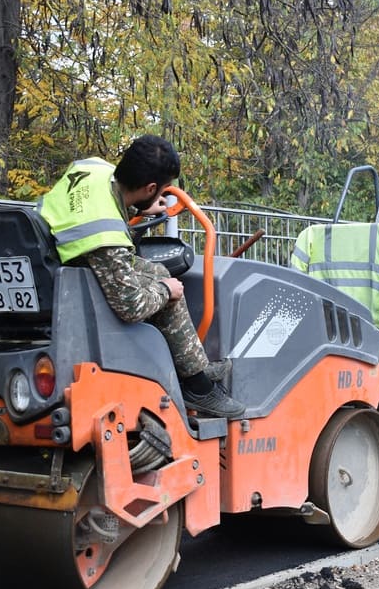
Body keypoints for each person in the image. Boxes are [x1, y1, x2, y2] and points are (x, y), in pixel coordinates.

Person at [37, 135, 245, 418]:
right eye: (161, 189)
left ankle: (193, 365)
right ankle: (196, 386)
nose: (163, 194)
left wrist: (142, 208)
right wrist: (166, 290)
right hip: (74, 279)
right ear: (149, 187)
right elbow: (131, 306)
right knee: (165, 285)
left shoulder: (93, 168)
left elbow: (95, 210)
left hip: (59, 259)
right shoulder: (106, 236)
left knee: (158, 271)